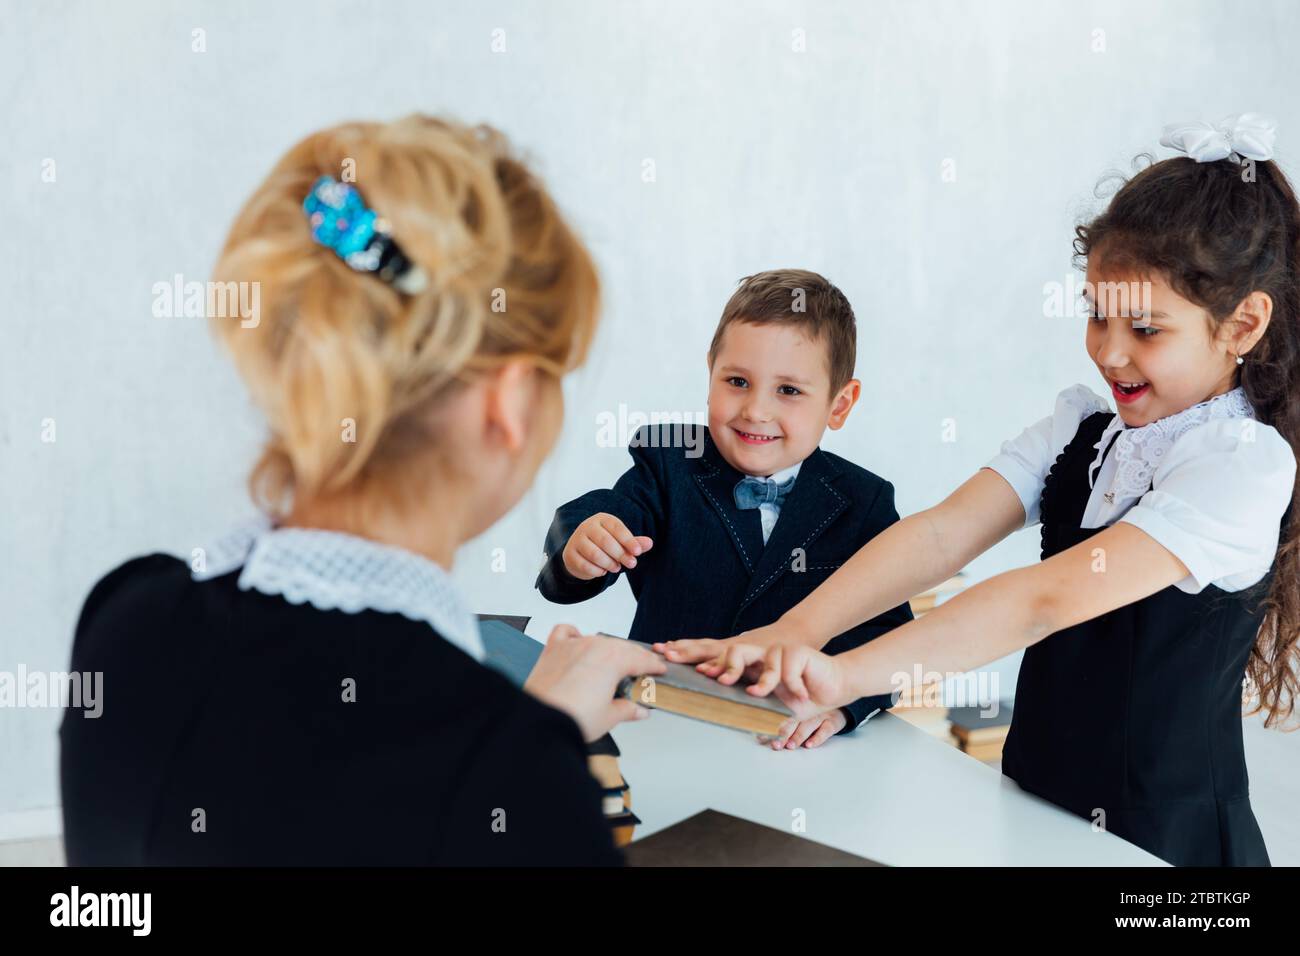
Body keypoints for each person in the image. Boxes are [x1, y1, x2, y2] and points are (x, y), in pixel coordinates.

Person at [661, 115, 1299, 866]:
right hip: (1035, 808)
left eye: (1147, 330)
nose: (1109, 351)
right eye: (1096, 316)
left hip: (1165, 847)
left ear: (1243, 325)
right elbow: (941, 535)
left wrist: (846, 674)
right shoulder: (1082, 427)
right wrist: (791, 633)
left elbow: (1044, 599)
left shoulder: (1240, 466)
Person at [59, 115, 665, 865]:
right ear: (506, 404)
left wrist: (523, 733)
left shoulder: (125, 621)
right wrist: (527, 756)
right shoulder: (518, 787)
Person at [536, 270, 913, 748]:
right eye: (737, 381)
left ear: (839, 405)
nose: (755, 410)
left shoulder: (865, 500)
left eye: (789, 390)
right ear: (710, 375)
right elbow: (614, 510)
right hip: (663, 719)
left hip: (790, 737)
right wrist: (585, 539)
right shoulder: (670, 461)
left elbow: (891, 631)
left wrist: (843, 704)